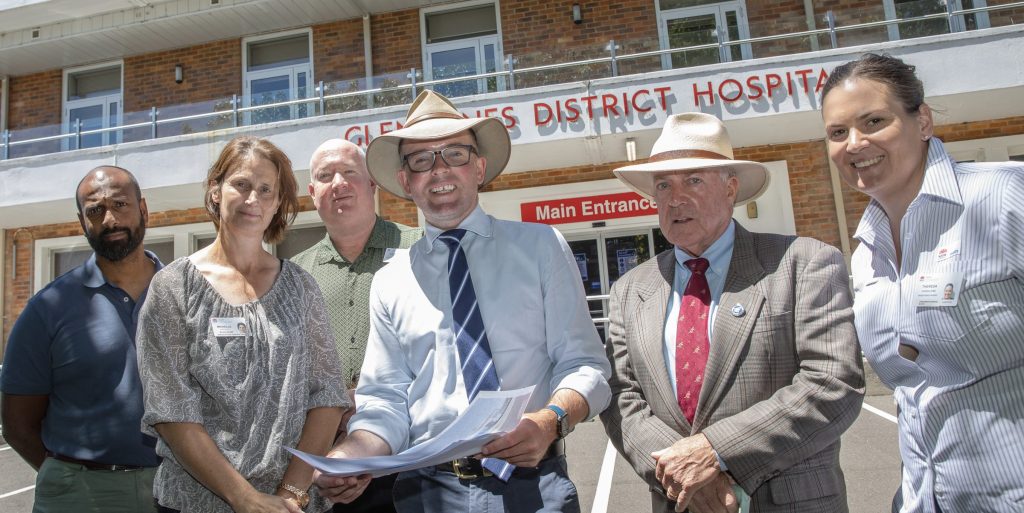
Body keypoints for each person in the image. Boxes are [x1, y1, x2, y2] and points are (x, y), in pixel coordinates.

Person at [314, 90, 611, 513]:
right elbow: (385, 400)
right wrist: (352, 456)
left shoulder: (541, 246)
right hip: (427, 494)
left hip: (536, 488)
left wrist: (550, 421)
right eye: (421, 160)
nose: (439, 171)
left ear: (479, 167)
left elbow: (586, 366)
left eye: (454, 153)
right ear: (405, 181)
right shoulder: (390, 280)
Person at [601, 112, 865, 513]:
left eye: (693, 180)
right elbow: (622, 397)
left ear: (731, 188)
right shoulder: (630, 290)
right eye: (663, 185)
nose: (676, 198)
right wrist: (683, 475)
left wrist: (716, 453)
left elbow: (832, 384)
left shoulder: (803, 263)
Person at [821, 53, 1024, 512]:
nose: (855, 143)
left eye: (874, 121)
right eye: (837, 132)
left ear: (924, 120)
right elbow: (914, 394)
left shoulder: (1005, 197)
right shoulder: (866, 254)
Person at [136, 136, 349, 512]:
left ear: (279, 203)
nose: (254, 200)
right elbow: (171, 410)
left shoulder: (301, 286)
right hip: (196, 503)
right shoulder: (172, 287)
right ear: (216, 190)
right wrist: (246, 499)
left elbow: (327, 396)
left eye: (267, 190)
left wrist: (291, 494)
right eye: (241, 184)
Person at [0, 166, 161, 513]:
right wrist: (68, 477)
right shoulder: (48, 308)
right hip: (81, 494)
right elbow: (17, 424)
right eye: (95, 210)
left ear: (143, 209)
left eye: (120, 205)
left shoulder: (185, 294)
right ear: (81, 223)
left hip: (177, 490)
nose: (110, 219)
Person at [291, 138, 420, 513]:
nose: (339, 183)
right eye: (325, 176)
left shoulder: (421, 249)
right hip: (330, 459)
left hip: (413, 456)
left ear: (372, 186)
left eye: (350, 173)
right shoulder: (294, 275)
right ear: (313, 193)